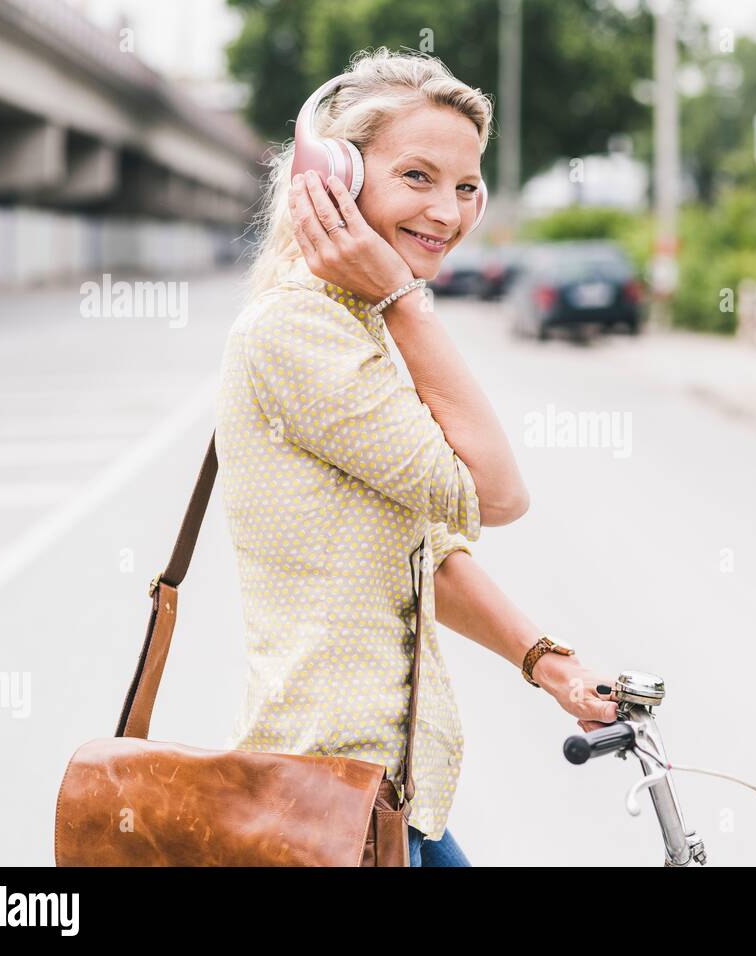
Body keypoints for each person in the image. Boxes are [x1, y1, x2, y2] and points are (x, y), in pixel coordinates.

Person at [214, 48, 618, 867]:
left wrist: (551, 666)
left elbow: (421, 551)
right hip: (329, 796)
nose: (449, 210)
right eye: (417, 177)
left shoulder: (346, 321)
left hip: (381, 792)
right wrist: (406, 300)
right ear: (331, 178)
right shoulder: (301, 331)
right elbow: (497, 493)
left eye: (467, 185)